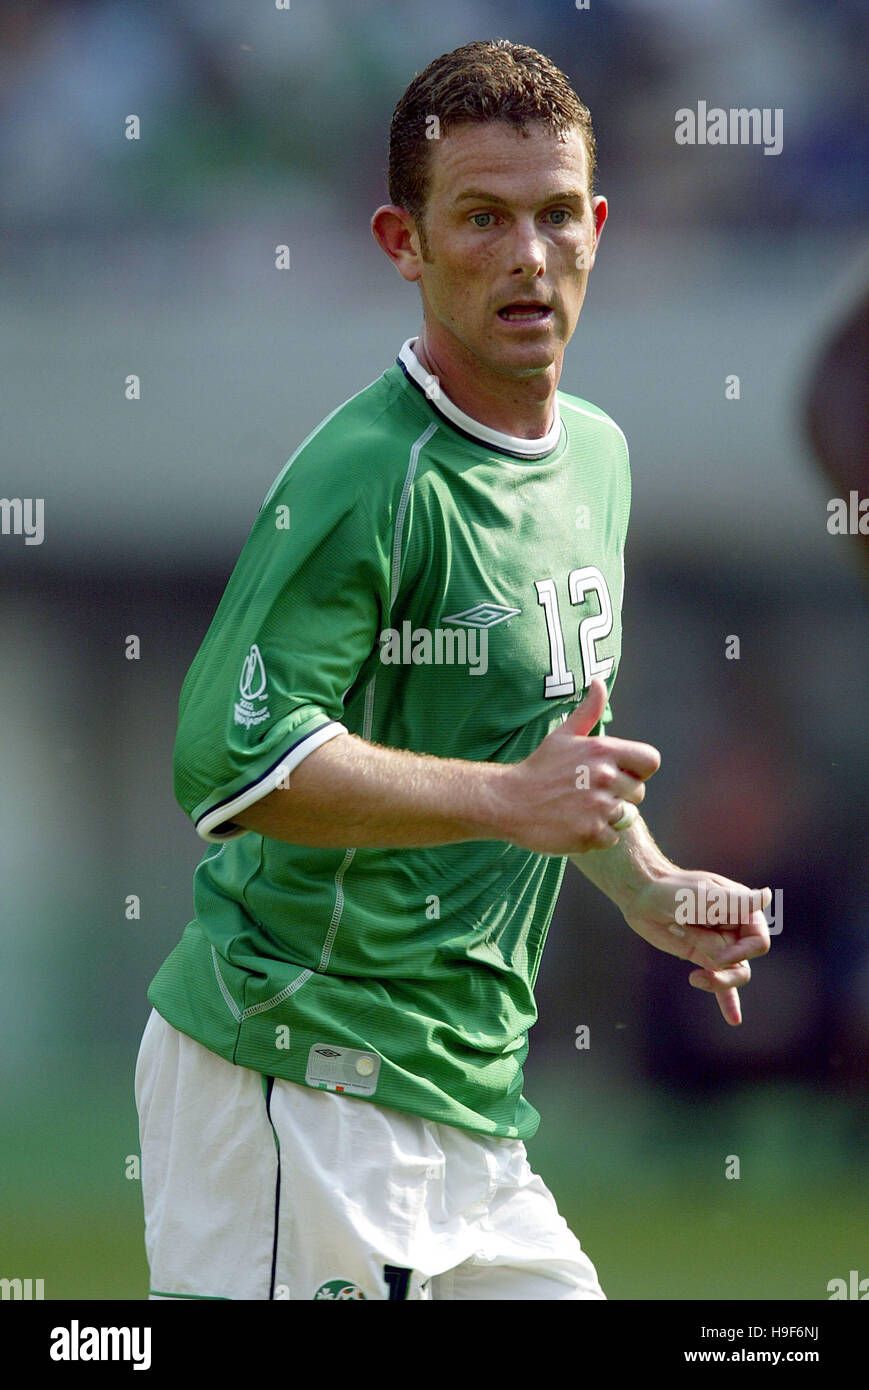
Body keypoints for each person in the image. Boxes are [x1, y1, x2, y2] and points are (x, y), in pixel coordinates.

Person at [135, 38, 771, 1302]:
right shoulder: (364, 476)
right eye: (479, 218)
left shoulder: (596, 458)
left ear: (596, 226)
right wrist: (500, 802)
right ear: (402, 243)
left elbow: (551, 745)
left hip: (473, 1113)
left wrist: (644, 885)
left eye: (551, 216)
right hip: (297, 1089)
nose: (525, 255)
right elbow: (226, 762)